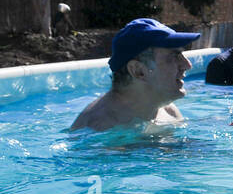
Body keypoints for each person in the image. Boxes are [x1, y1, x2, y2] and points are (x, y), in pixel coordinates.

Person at [70, 18, 200, 131]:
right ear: (138, 71)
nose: (187, 65)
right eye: (174, 56)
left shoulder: (169, 112)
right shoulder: (99, 128)